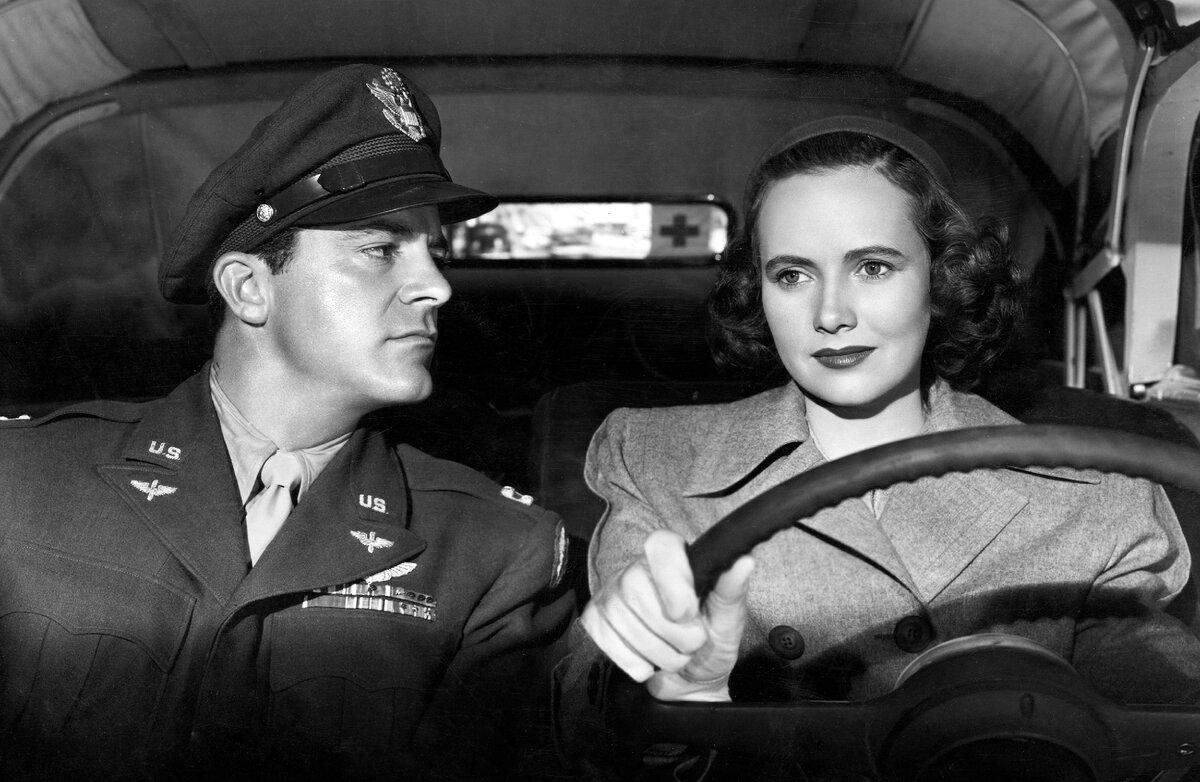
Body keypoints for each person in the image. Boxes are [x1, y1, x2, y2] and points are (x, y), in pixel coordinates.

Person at [570, 117, 1200, 776]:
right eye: (792, 275)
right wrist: (677, 701)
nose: (831, 314)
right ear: (759, 290)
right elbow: (582, 723)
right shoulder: (658, 462)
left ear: (942, 276)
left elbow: (1161, 705)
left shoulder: (1095, 490)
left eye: (872, 267)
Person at [0, 64, 573, 780]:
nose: (437, 287)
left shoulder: (493, 551)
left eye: (436, 254)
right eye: (380, 249)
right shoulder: (19, 483)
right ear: (249, 288)